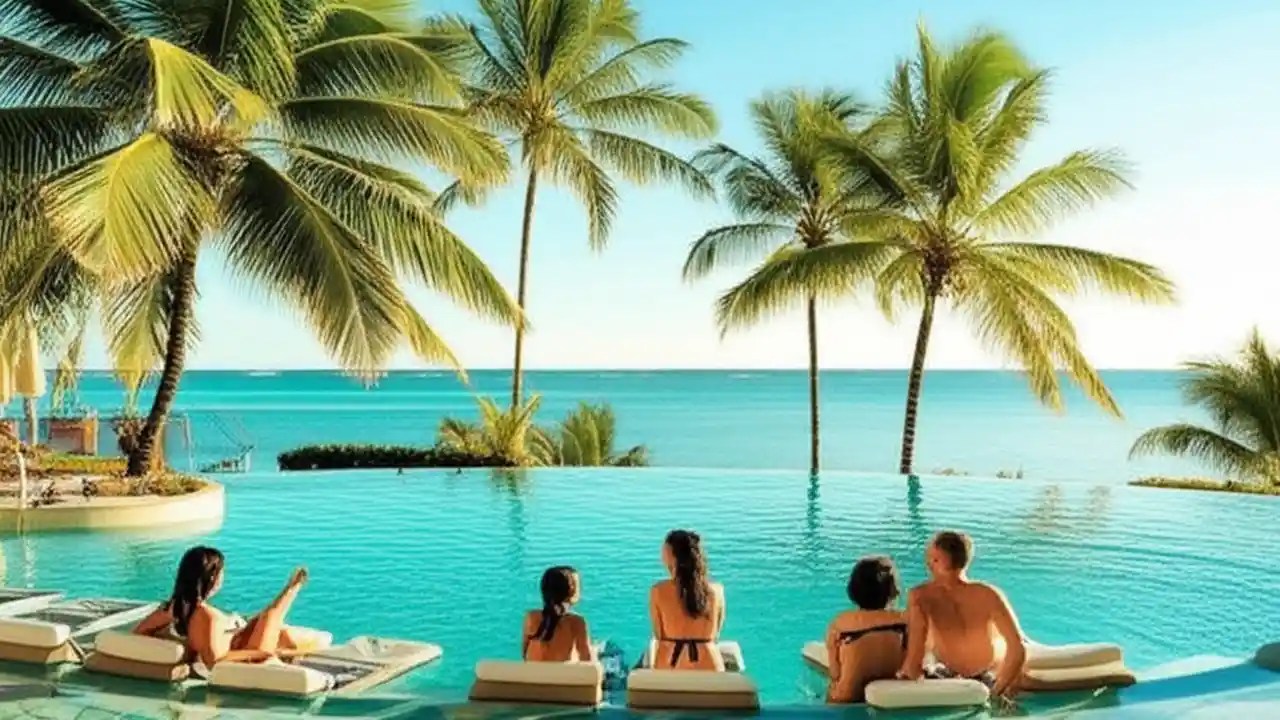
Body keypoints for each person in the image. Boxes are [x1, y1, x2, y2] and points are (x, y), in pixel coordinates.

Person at [133, 546, 311, 670]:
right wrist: (260, 653)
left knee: (263, 619)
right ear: (212, 578)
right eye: (221, 572)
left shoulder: (173, 607)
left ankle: (287, 649)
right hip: (240, 656)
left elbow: (141, 631)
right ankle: (292, 588)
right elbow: (215, 661)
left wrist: (177, 643)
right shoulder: (209, 616)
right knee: (271, 616)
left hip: (235, 642)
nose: (223, 576)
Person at [897, 531, 1026, 700]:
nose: (928, 564)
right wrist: (999, 689)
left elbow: (914, 661)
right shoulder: (989, 594)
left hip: (948, 676)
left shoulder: (920, 596)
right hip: (990, 675)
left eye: (933, 559)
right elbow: (1017, 647)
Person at [824, 556, 906, 704]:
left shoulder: (841, 624)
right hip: (889, 700)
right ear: (893, 591)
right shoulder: (906, 622)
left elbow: (835, 673)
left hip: (846, 699)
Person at [648, 529, 725, 671]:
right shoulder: (717, 591)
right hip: (710, 666)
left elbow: (659, 635)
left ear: (670, 554)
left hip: (671, 666)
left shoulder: (658, 591)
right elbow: (716, 633)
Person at [522, 566, 593, 662]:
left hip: (533, 675)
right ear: (572, 592)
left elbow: (524, 654)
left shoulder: (531, 616)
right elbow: (586, 659)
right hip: (563, 675)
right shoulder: (577, 622)